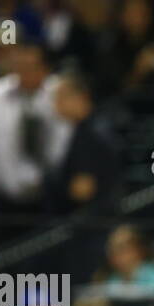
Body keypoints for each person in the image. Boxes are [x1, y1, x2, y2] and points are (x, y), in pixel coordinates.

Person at [0, 39, 72, 218]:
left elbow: (70, 141)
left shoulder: (59, 95)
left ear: (45, 68)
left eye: (32, 67)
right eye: (21, 66)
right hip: (2, 203)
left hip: (52, 200)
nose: (25, 73)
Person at [47, 70, 119, 214]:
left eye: (61, 97)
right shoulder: (84, 128)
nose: (56, 104)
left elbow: (82, 189)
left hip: (96, 221)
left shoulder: (92, 133)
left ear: (81, 97)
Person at [97, 225, 154, 306]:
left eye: (123, 250)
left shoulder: (153, 274)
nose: (117, 256)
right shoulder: (111, 278)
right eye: (113, 251)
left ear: (137, 251)